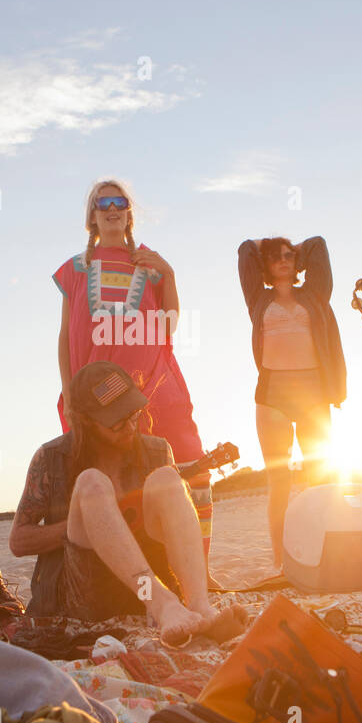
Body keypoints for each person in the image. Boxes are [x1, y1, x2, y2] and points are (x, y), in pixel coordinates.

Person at [10, 361, 239, 645]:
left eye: (133, 414)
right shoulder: (50, 458)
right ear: (85, 422)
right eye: (117, 422)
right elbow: (18, 541)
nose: (130, 426)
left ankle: (199, 607)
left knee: (167, 477)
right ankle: (164, 606)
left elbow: (174, 527)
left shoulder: (157, 450)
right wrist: (88, 523)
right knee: (92, 483)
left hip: (142, 588)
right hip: (86, 592)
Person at [52, 179, 214, 559]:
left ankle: (199, 569)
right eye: (102, 202)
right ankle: (133, 579)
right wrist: (70, 394)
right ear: (92, 217)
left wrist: (169, 275)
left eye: (119, 201)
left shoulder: (150, 264)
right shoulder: (76, 269)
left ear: (128, 213)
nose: (112, 208)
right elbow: (65, 337)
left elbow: (170, 323)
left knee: (194, 472)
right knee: (112, 485)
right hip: (98, 398)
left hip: (158, 387)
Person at [237, 236, 346, 570]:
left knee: (320, 478)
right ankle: (282, 563)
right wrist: (263, 246)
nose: (283, 261)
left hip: (313, 391)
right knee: (280, 482)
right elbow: (244, 251)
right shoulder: (258, 298)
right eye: (275, 257)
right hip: (272, 393)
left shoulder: (314, 295)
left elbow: (318, 245)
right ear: (266, 265)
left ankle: (321, 556)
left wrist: (296, 251)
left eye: (288, 256)